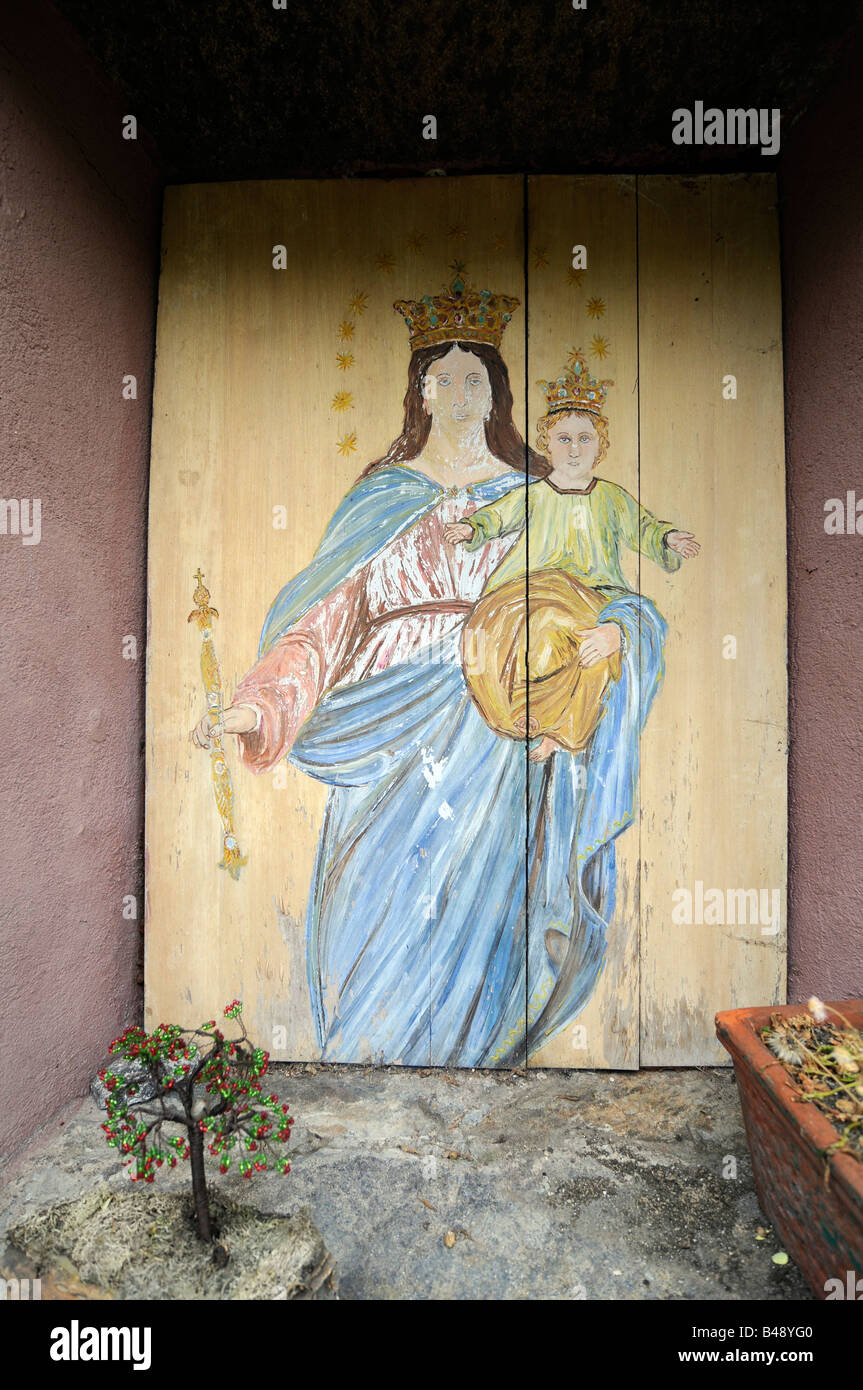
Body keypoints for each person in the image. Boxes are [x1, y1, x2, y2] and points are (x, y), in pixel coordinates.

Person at [190, 279, 671, 1066]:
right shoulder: (383, 497)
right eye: (441, 377)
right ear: (418, 391)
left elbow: (602, 593)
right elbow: (325, 624)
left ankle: (475, 1067)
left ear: (496, 393)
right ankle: (373, 1062)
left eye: (472, 377)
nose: (456, 391)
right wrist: (257, 706)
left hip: (497, 724)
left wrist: (617, 629)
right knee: (371, 909)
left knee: (481, 917)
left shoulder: (535, 494)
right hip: (389, 728)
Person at [443, 350, 700, 762]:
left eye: (585, 439)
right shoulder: (535, 495)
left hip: (591, 596)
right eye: (564, 439)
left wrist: (667, 539)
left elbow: (644, 528)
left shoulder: (612, 498)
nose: (575, 450)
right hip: (527, 592)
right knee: (527, 641)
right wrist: (473, 528)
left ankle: (562, 732)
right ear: (547, 443)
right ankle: (529, 714)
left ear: (601, 445)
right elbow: (498, 516)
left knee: (595, 654)